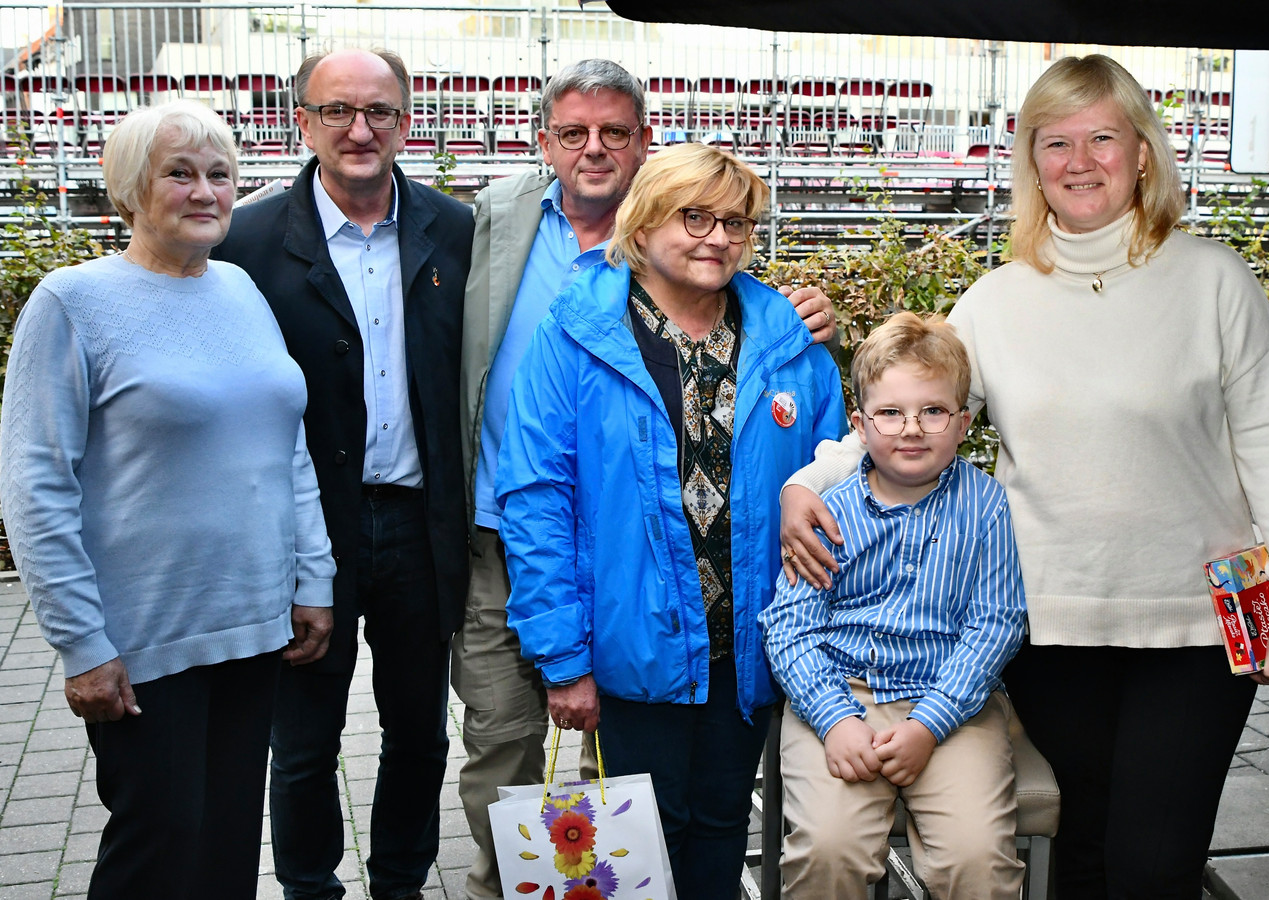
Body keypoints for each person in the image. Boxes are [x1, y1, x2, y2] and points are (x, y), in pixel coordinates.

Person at [779, 54, 1269, 899]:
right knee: (1079, 853)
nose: (1079, 162)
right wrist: (807, 484)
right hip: (1050, 623)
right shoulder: (996, 302)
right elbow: (912, 409)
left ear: (1144, 153)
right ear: (1031, 162)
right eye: (1056, 142)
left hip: (1205, 622)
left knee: (1156, 866)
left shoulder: (1216, 281)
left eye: (1102, 138)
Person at [458, 57, 838, 898]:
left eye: (735, 223)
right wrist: (562, 660)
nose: (716, 238)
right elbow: (537, 501)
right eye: (693, 217)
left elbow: (835, 486)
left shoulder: (789, 342)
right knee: (638, 848)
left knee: (716, 831)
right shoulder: (579, 334)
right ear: (645, 223)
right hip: (632, 652)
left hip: (748, 653)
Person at [0, 100, 335, 900]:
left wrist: (312, 579)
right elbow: (35, 486)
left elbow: (287, 443)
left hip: (253, 625)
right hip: (144, 640)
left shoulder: (241, 291)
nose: (205, 191)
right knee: (156, 850)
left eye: (219, 174)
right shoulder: (72, 302)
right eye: (178, 173)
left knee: (224, 851)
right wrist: (82, 643)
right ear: (128, 189)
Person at [213, 48, 473, 900]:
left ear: (407, 121)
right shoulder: (246, 241)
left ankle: (400, 882)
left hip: (416, 520)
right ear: (302, 121)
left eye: (380, 113)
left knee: (419, 734)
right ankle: (310, 887)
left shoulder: (455, 230)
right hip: (305, 529)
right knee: (304, 740)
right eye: (337, 111)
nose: (360, 130)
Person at [761, 311, 1027, 898]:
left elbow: (996, 624)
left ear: (962, 424)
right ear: (860, 423)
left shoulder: (985, 505)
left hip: (954, 703)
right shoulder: (828, 511)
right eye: (890, 412)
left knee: (977, 861)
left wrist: (929, 725)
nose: (912, 429)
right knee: (826, 852)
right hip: (838, 694)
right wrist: (833, 720)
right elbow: (788, 629)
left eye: (933, 411)